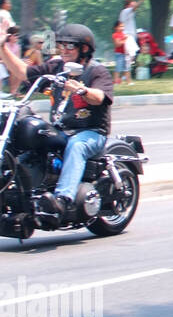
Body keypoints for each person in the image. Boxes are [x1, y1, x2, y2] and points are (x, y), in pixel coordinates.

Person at [0, 23, 113, 224]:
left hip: (90, 131)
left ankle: (62, 199)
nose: (64, 50)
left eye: (69, 46)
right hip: (61, 129)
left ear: (84, 49)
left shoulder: (97, 71)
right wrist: (2, 48)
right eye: (61, 45)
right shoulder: (56, 67)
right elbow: (24, 72)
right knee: (28, 135)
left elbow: (99, 96)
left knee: (76, 146)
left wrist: (83, 90)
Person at [118, 0, 140, 75]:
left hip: (129, 36)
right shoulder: (125, 11)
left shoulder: (128, 13)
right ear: (127, 5)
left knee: (129, 55)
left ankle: (125, 72)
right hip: (128, 36)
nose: (133, 6)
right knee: (130, 55)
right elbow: (135, 7)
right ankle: (125, 73)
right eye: (131, 4)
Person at [112, 20, 128, 85]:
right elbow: (117, 44)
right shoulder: (115, 35)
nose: (122, 28)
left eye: (123, 26)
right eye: (120, 26)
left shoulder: (123, 34)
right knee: (118, 68)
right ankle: (116, 81)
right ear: (116, 27)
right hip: (119, 54)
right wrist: (124, 39)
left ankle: (122, 80)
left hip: (125, 53)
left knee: (126, 68)